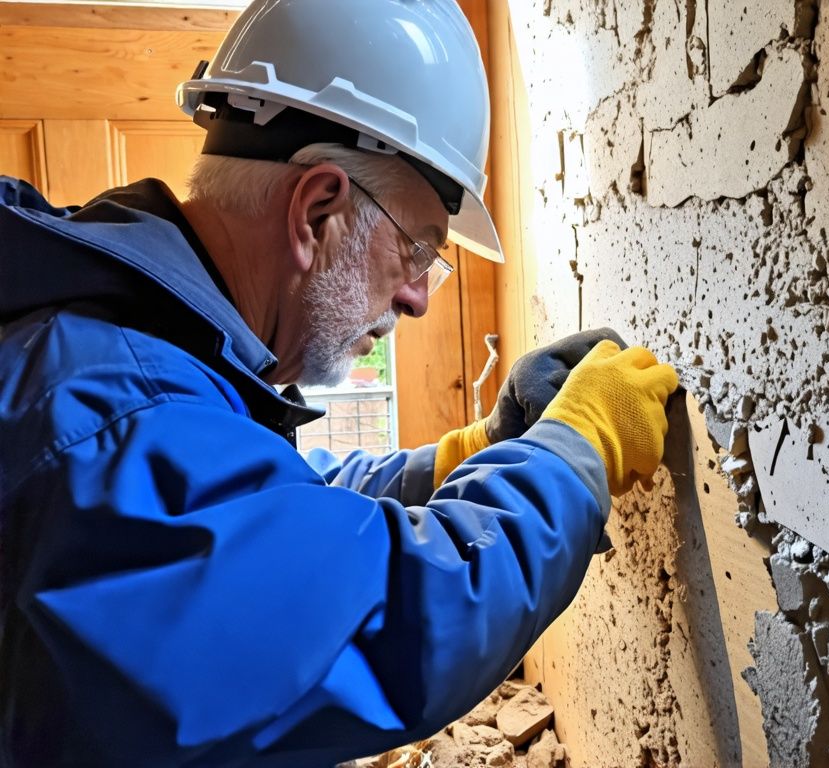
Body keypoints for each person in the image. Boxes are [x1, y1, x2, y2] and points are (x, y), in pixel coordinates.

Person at [0, 0, 678, 764]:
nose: (419, 297)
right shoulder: (111, 419)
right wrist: (573, 451)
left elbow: (272, 507)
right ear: (317, 211)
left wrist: (462, 458)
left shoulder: (135, 344)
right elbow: (384, 616)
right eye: (417, 251)